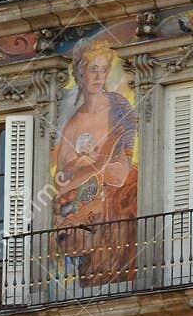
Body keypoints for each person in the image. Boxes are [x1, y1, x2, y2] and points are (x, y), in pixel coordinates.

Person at [53, 37, 137, 283]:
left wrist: (94, 167)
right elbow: (61, 178)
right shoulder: (72, 122)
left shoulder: (119, 106)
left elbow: (122, 161)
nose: (99, 77)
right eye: (93, 69)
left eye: (103, 70)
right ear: (80, 72)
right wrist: (82, 168)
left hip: (115, 186)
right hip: (82, 197)